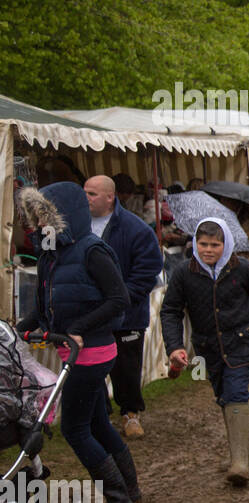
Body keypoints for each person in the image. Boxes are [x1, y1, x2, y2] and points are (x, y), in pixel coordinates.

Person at [15, 183, 138, 503]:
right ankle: (130, 490)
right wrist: (14, 329)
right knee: (98, 423)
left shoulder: (91, 250)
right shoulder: (50, 257)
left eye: (45, 218)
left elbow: (118, 299)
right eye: (36, 219)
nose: (40, 226)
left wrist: (78, 330)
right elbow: (44, 310)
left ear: (63, 216)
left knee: (74, 429)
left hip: (92, 353)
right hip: (74, 353)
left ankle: (118, 498)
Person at [161, 218, 249, 485]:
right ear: (195, 244)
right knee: (222, 395)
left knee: (236, 392)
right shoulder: (185, 272)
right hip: (208, 348)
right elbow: (170, 311)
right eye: (203, 244)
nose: (208, 249)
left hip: (241, 341)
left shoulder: (243, 269)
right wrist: (174, 346)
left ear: (225, 244)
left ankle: (239, 464)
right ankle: (240, 451)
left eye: (215, 245)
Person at [83, 174, 163, 441]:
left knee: (126, 368)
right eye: (85, 192)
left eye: (92, 194)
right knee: (91, 368)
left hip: (127, 315)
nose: (87, 198)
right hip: (90, 314)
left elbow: (148, 269)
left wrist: (121, 299)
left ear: (110, 197)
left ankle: (130, 414)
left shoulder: (135, 228)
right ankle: (100, 416)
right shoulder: (76, 225)